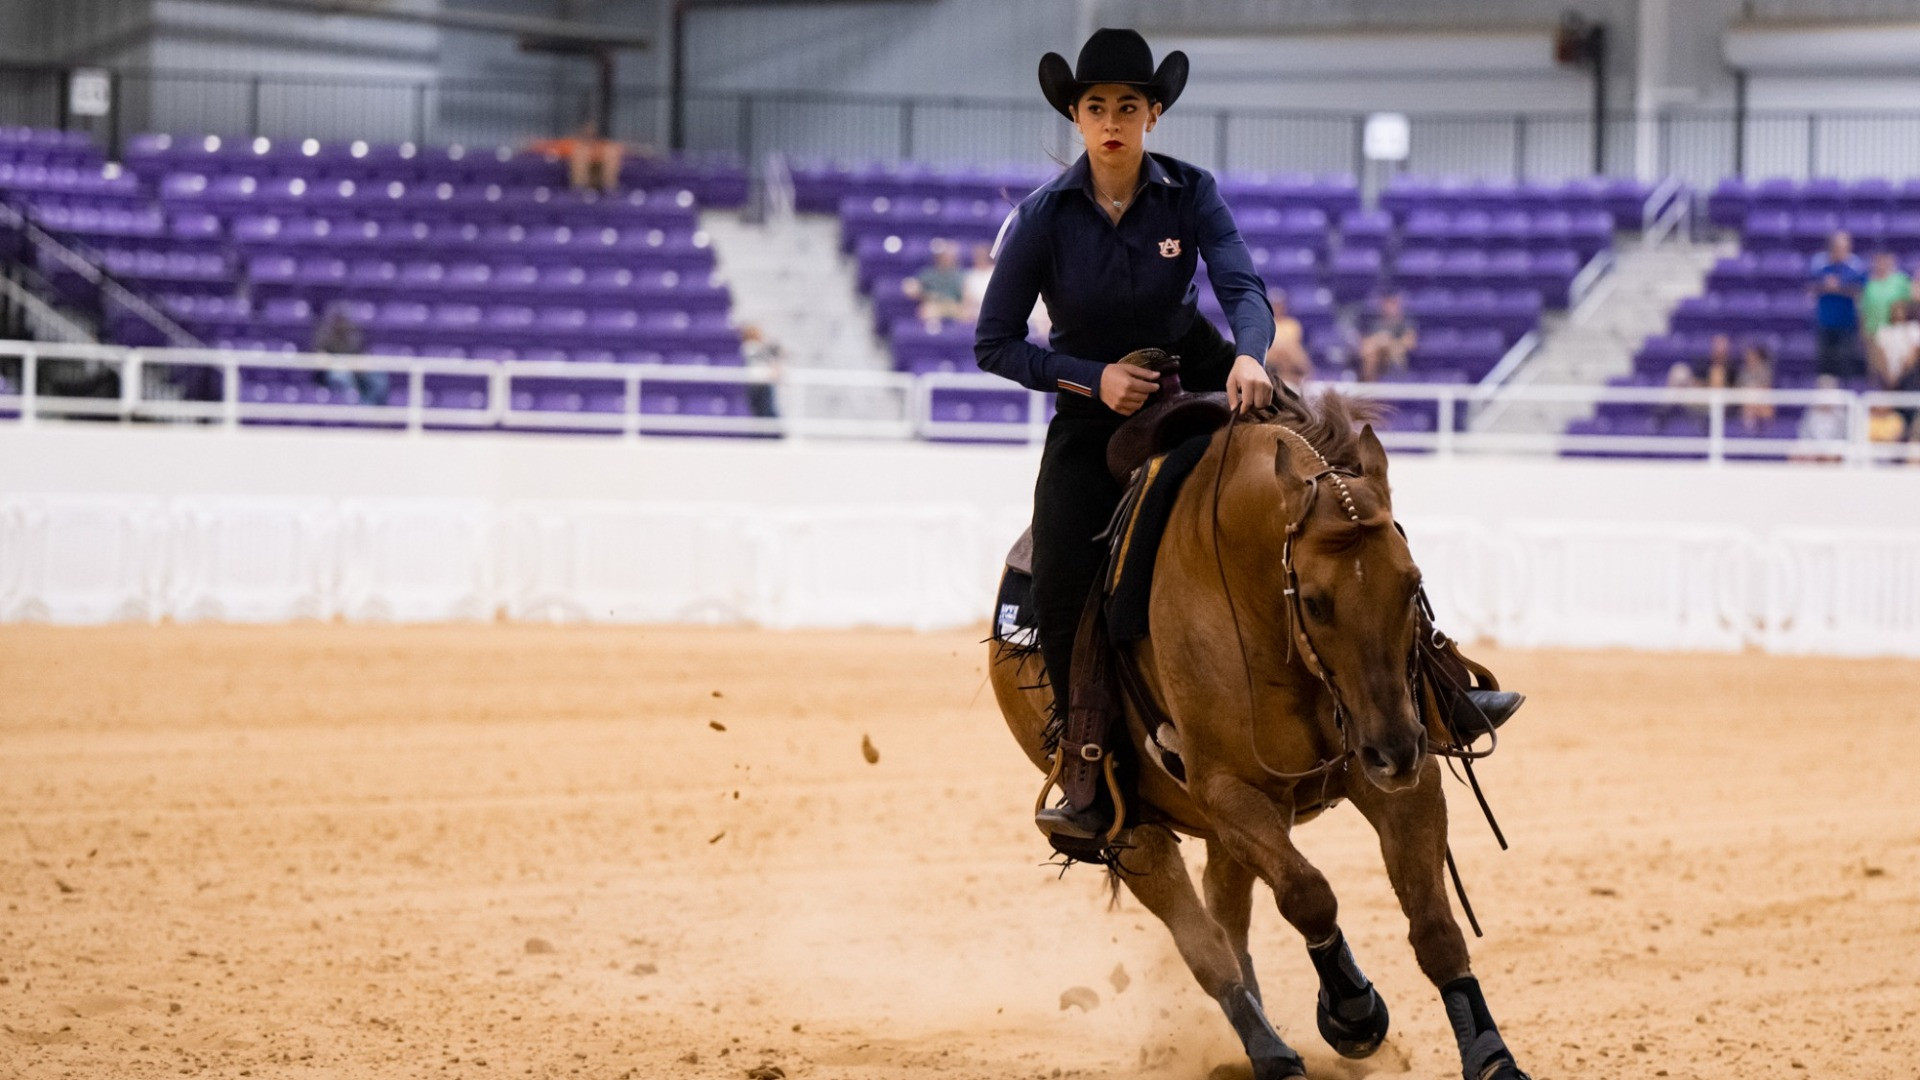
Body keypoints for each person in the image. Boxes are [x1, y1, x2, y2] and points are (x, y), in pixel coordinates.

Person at [974, 28, 1276, 844]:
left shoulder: (1191, 191)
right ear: (1076, 117)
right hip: (1089, 403)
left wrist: (1249, 354)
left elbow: (1241, 282)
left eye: (1128, 107)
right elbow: (993, 343)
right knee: (1066, 574)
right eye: (1096, 106)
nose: (1112, 120)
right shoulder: (1041, 218)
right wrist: (1089, 378)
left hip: (1198, 365)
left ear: (1154, 115)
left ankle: (1426, 681)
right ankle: (1084, 762)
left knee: (1322, 474)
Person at [1809, 231, 1867, 380]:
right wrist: (1825, 286)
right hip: (1825, 323)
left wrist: (1838, 287)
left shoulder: (1855, 266)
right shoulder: (1820, 265)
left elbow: (1860, 289)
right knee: (1825, 365)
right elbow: (1810, 286)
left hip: (1847, 325)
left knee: (1845, 362)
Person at [313, 301, 387, 406]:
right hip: (334, 370)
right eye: (338, 318)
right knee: (341, 375)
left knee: (378, 374)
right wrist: (338, 363)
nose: (341, 322)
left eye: (343, 318)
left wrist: (360, 363)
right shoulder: (324, 333)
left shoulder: (353, 331)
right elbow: (320, 359)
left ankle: (376, 410)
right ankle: (355, 409)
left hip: (354, 367)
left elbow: (362, 353)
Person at [528, 121, 623, 193]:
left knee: (610, 153)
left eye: (593, 131)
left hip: (600, 178)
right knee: (581, 154)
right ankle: (579, 191)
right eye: (587, 129)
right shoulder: (572, 145)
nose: (590, 132)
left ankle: (609, 191)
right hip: (580, 180)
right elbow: (546, 147)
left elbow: (625, 151)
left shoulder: (605, 146)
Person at [1358, 291, 1417, 383]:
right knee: (1369, 352)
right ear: (1382, 304)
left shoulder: (1406, 323)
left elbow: (1410, 343)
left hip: (1395, 354)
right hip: (1376, 353)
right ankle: (1369, 384)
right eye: (1387, 303)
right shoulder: (1374, 323)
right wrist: (1380, 340)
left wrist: (1389, 342)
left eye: (1393, 303)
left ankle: (1396, 381)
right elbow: (1364, 343)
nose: (1390, 307)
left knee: (1394, 351)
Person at [902, 240, 966, 323]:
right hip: (934, 304)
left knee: (967, 314)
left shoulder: (960, 275)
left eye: (950, 257)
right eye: (945, 257)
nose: (948, 260)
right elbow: (911, 287)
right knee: (925, 311)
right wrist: (925, 294)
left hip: (953, 305)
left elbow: (965, 296)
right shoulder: (928, 273)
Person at [1265, 288, 1313, 388]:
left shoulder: (1292, 324)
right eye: (1275, 304)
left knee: (1292, 350)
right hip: (1270, 358)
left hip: (1289, 360)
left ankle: (1302, 377)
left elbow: (1294, 346)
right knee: (1284, 350)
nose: (1277, 307)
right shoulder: (1265, 324)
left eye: (1279, 304)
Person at [1860, 251, 1912, 339]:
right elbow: (1863, 310)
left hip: (1895, 331)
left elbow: (1910, 305)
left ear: (1891, 261)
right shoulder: (1868, 283)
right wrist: (1864, 331)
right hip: (1873, 330)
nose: (1881, 264)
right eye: (1879, 261)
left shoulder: (1901, 280)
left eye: (1885, 261)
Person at [960, 243, 996, 320]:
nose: (979, 258)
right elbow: (966, 299)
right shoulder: (970, 275)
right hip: (975, 313)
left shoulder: (995, 272)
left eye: (982, 256)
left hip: (994, 310)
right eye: (977, 256)